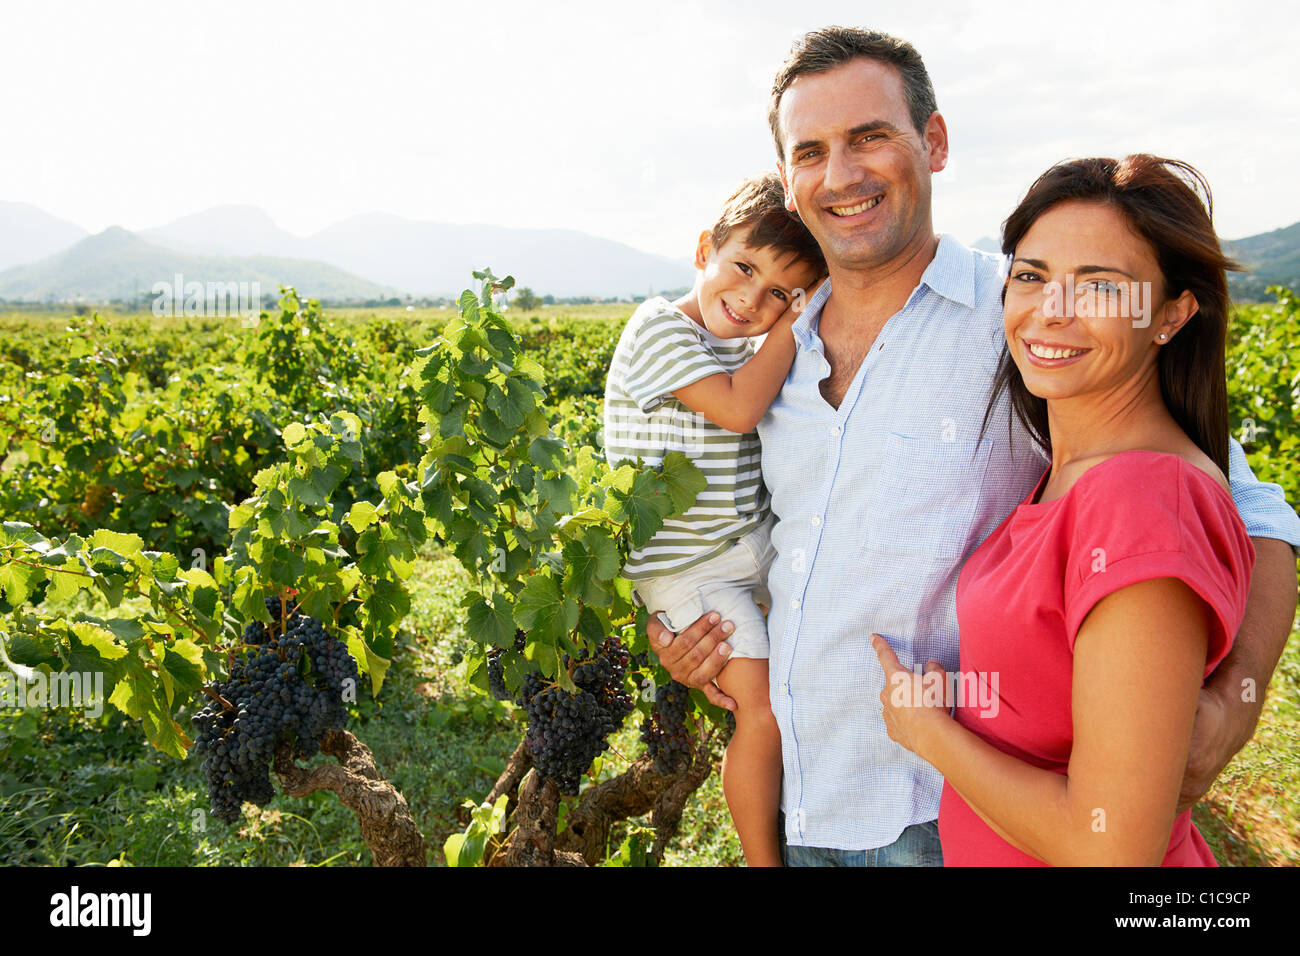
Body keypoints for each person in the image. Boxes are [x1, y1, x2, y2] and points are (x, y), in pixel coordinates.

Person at [647, 26, 1300, 866]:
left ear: (936, 143)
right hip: (803, 793)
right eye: (810, 150)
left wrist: (1233, 705)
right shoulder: (768, 345)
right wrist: (692, 620)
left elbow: (1254, 511)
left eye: (870, 137)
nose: (840, 174)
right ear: (787, 176)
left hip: (954, 807)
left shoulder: (1028, 312)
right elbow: (779, 537)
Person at [873, 155, 1254, 865]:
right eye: (1031, 275)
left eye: (1101, 286)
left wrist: (928, 733)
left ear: (1171, 315)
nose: (1052, 309)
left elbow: (1108, 848)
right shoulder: (1070, 468)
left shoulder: (1139, 504)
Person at [602, 172, 825, 866]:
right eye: (744, 268)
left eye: (779, 295)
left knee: (804, 686)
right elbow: (736, 409)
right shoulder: (658, 328)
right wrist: (791, 325)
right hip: (689, 569)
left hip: (749, 546)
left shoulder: (740, 344)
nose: (752, 300)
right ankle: (765, 861)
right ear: (706, 248)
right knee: (760, 712)